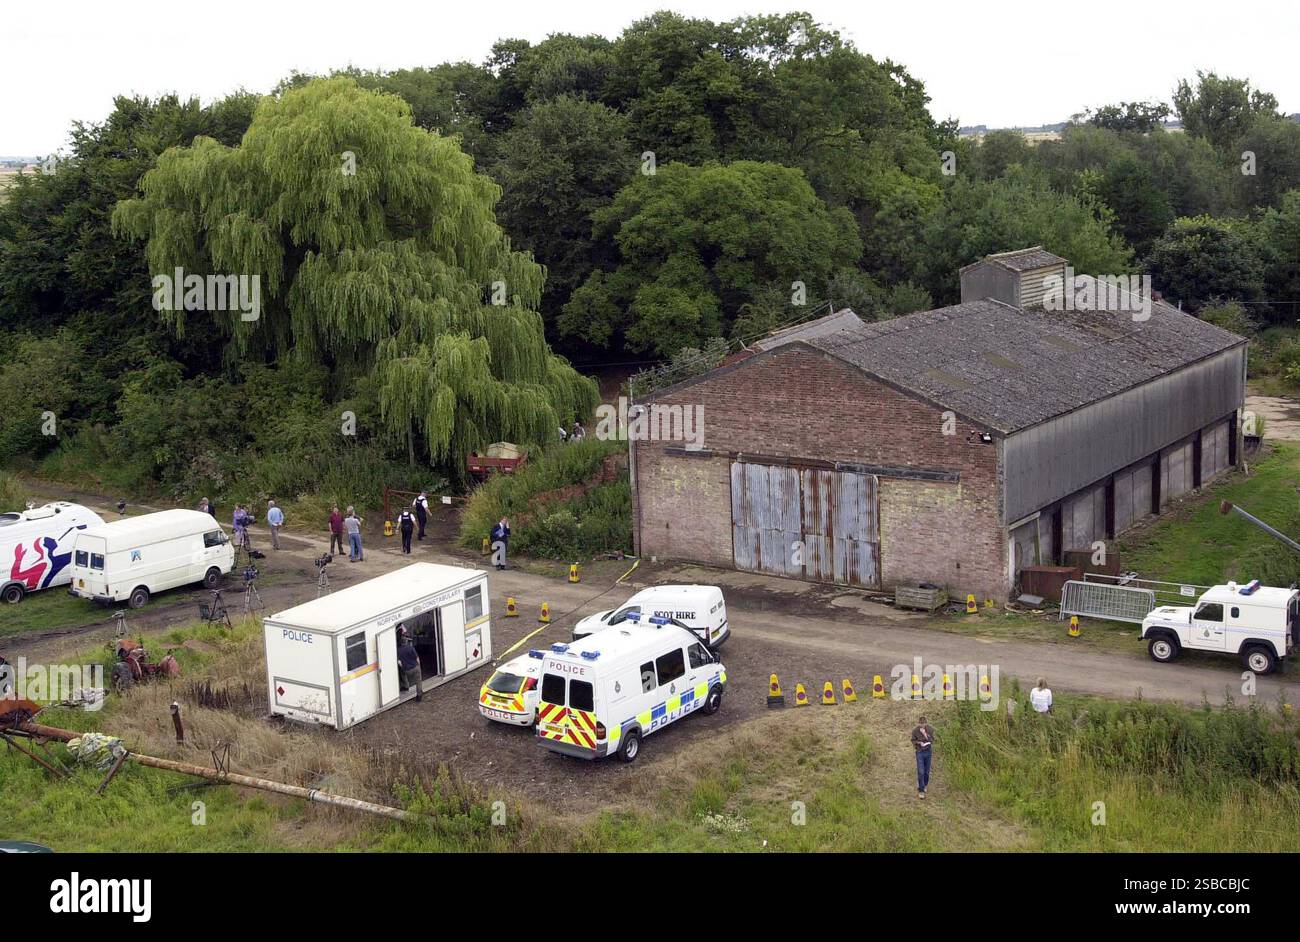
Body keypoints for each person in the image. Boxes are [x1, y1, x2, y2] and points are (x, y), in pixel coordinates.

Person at [911, 715, 935, 799]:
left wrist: (925, 734)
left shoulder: (930, 729)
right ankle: (921, 790)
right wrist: (918, 742)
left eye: (924, 723)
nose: (922, 725)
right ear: (919, 723)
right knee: (921, 771)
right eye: (921, 724)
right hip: (920, 752)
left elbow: (932, 739)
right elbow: (913, 740)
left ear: (926, 723)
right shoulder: (915, 731)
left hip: (928, 752)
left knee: (926, 771)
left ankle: (924, 785)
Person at [396, 626, 422, 701]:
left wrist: (403, 667)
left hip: (407, 670)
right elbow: (417, 658)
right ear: (406, 641)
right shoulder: (411, 648)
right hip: (415, 667)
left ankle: (406, 686)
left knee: (402, 673)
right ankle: (419, 695)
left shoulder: (399, 650)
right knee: (418, 681)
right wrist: (418, 666)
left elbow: (399, 662)